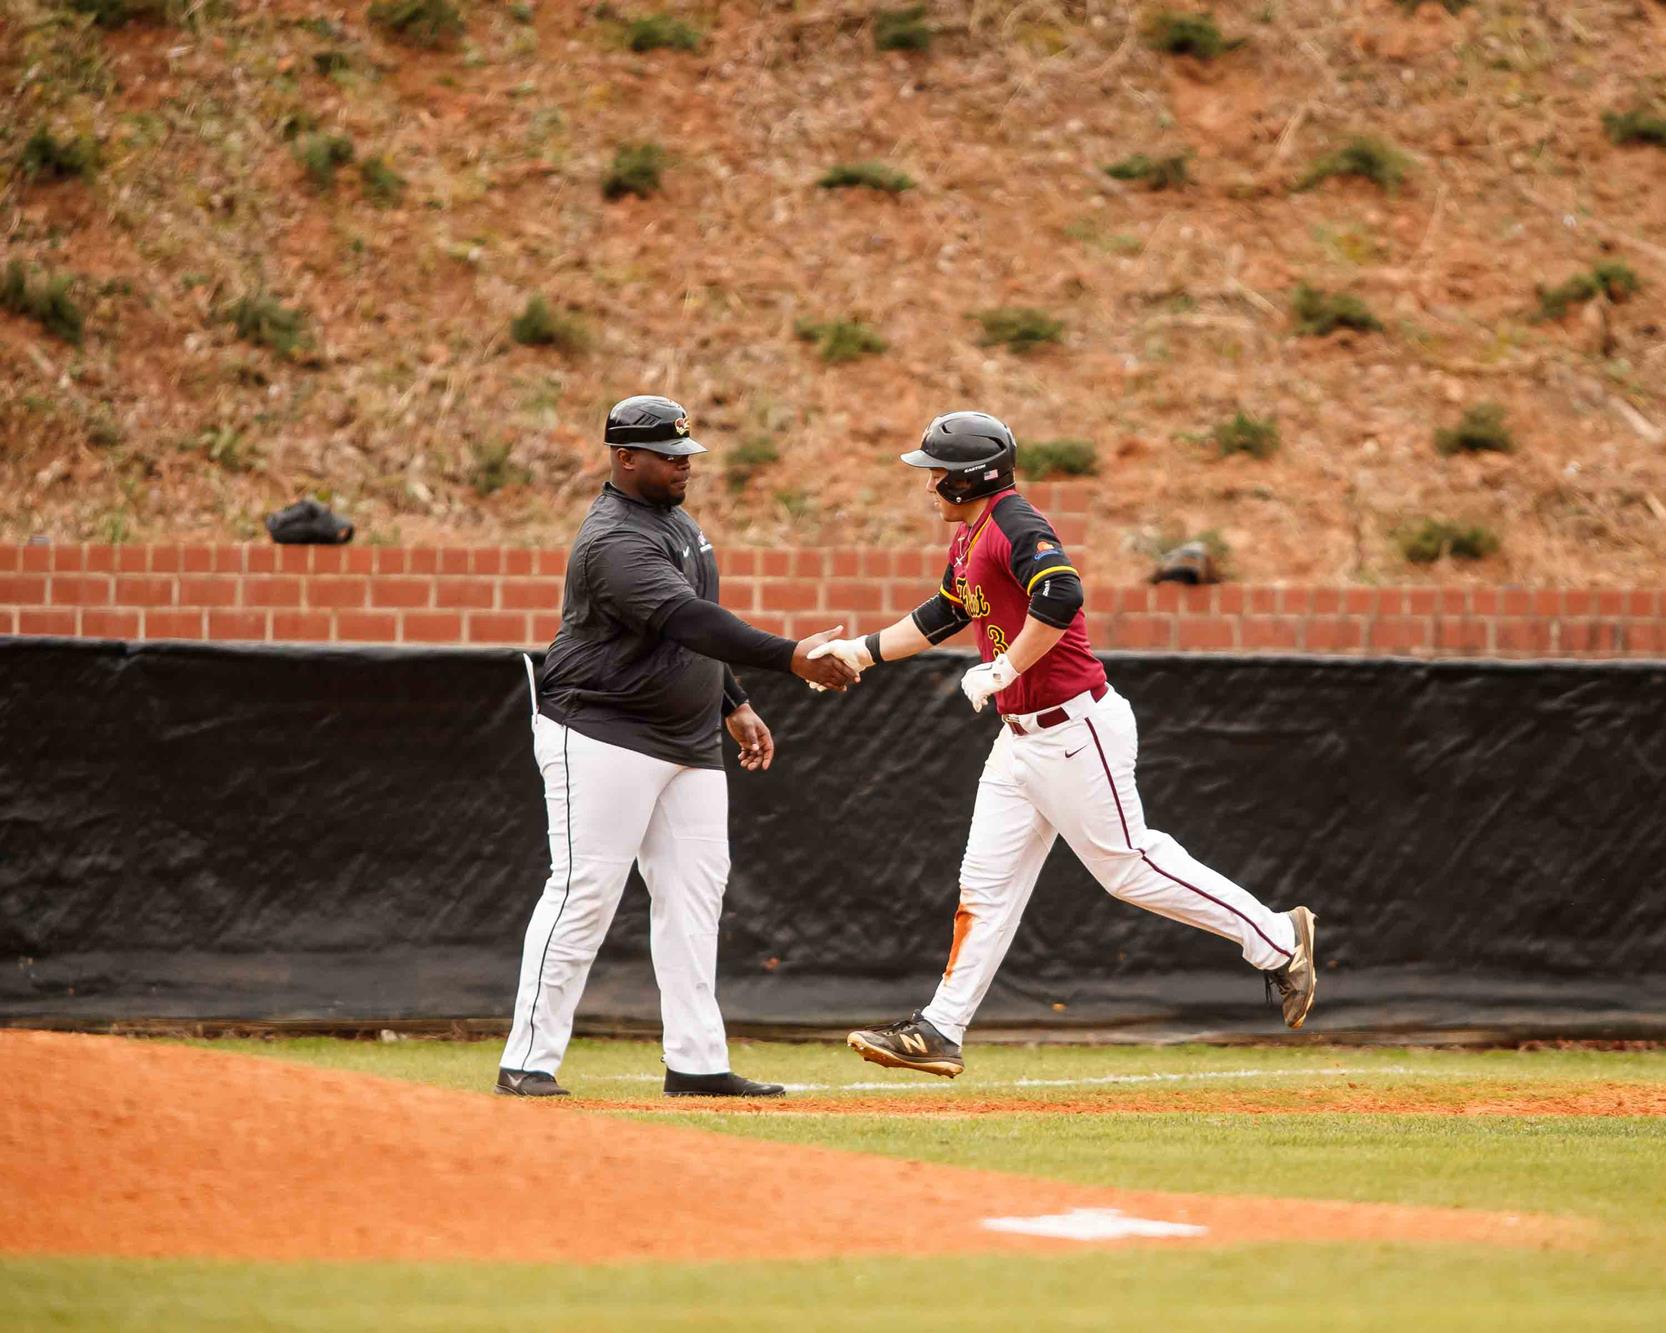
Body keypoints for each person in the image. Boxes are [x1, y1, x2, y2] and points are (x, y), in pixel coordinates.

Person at [808, 411, 1316, 1078]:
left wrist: (1005, 667)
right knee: (984, 890)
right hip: (1020, 739)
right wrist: (861, 652)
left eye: (935, 474)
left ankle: (1279, 938)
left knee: (1128, 866)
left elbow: (1063, 594)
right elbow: (945, 612)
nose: (928, 485)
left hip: (1074, 728)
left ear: (968, 477)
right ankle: (940, 1028)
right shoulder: (970, 537)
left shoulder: (1014, 522)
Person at [496, 395, 858, 1099]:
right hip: (602, 732)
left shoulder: (674, 521)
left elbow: (692, 630)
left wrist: (734, 702)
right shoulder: (613, 541)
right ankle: (527, 1060)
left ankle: (695, 1061)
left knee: (694, 900)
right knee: (583, 890)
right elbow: (687, 619)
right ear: (624, 457)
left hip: (687, 743)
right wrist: (789, 658)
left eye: (687, 454)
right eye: (668, 455)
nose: (683, 466)